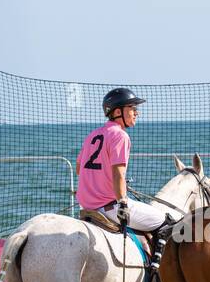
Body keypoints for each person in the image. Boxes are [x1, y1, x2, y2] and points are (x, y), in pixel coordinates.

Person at [75, 87, 179, 267]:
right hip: (110, 208)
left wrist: (102, 181)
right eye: (132, 108)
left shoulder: (92, 135)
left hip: (87, 207)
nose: (136, 113)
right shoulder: (120, 135)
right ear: (117, 112)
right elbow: (118, 174)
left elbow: (79, 169)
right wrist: (122, 201)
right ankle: (157, 272)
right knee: (168, 222)